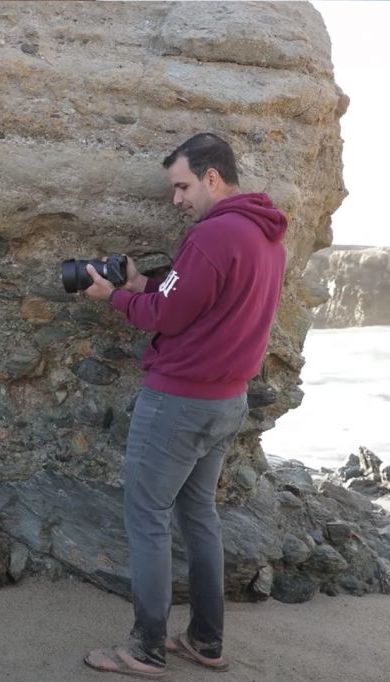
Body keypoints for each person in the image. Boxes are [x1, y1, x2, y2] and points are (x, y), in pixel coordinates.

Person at [81, 133, 287, 677]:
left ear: (212, 177)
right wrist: (144, 282)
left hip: (179, 401)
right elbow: (194, 301)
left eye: (182, 186)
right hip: (226, 402)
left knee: (147, 517)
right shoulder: (267, 237)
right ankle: (205, 640)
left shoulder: (213, 235)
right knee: (199, 517)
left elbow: (166, 318)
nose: (177, 199)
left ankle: (145, 648)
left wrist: (114, 297)